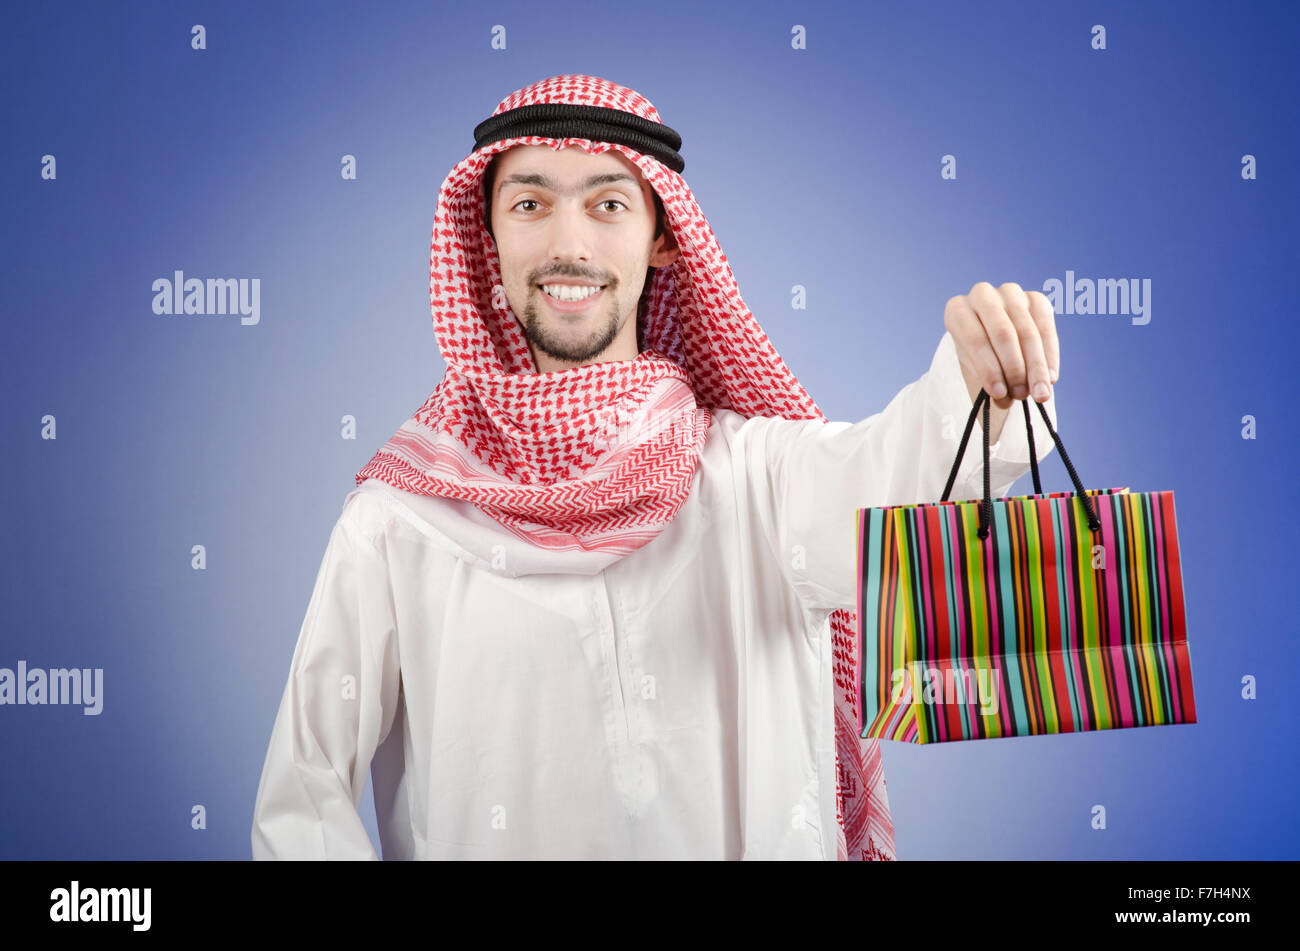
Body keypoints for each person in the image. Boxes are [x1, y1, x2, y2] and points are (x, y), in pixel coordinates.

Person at [250, 74, 1061, 861]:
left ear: (663, 237)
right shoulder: (399, 520)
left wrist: (981, 385)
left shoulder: (756, 482)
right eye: (530, 203)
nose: (569, 245)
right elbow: (303, 794)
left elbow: (905, 476)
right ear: (487, 236)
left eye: (608, 204)